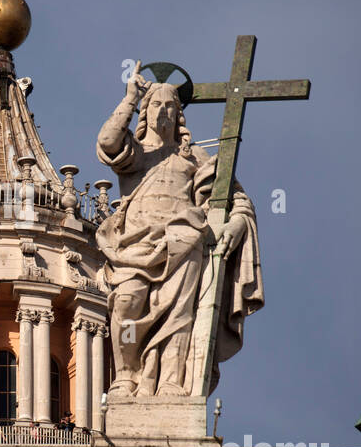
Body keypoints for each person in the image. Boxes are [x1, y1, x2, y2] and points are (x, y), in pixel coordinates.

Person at [95, 64, 263, 399]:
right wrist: (129, 100)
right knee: (127, 303)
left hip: (183, 242)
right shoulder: (136, 153)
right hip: (133, 246)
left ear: (179, 114)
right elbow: (107, 142)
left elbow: (237, 198)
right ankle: (126, 376)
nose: (163, 111)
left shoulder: (196, 157)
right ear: (145, 111)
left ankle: (171, 379)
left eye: (170, 106)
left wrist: (235, 223)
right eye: (156, 105)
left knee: (180, 313)